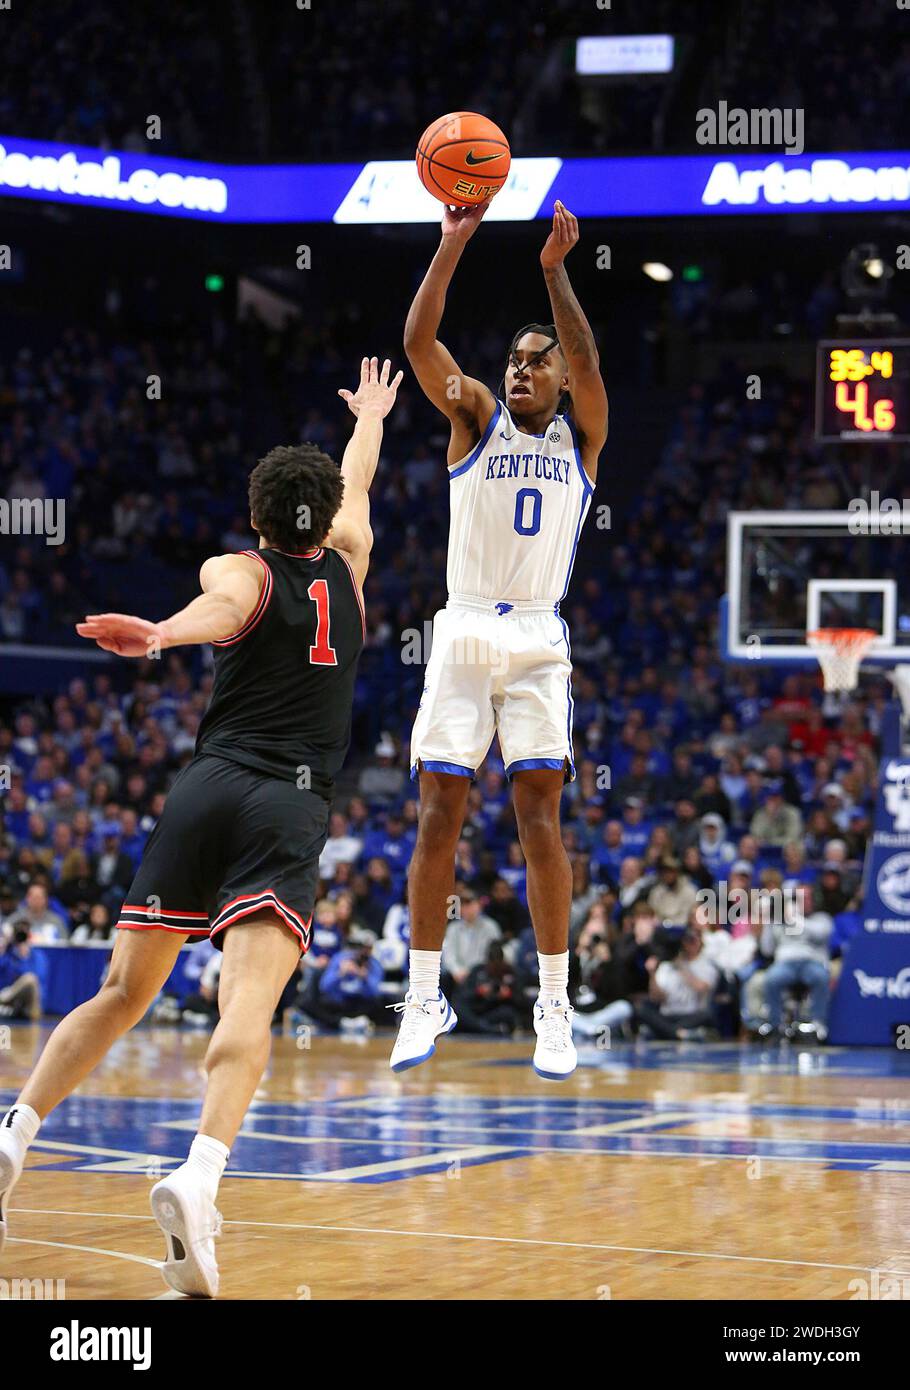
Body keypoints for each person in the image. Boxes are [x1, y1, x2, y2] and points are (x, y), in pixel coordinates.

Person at [0, 355, 402, 1298]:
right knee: (246, 1007)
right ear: (328, 511)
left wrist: (160, 634)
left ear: (258, 516)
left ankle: (14, 1132)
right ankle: (200, 1175)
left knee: (119, 992)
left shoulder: (239, 564)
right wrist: (372, 415)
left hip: (206, 786)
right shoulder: (352, 554)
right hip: (287, 800)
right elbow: (362, 477)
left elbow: (221, 608)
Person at [396, 197, 608, 1080]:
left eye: (537, 364)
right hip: (465, 623)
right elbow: (418, 345)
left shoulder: (583, 435)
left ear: (559, 383)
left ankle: (553, 1002)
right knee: (439, 814)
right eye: (516, 360)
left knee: (539, 819)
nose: (521, 371)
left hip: (537, 642)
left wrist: (556, 273)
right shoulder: (475, 417)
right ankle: (421, 994)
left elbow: (589, 361)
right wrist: (451, 247)